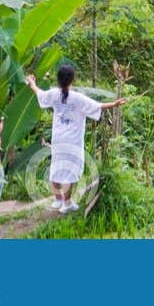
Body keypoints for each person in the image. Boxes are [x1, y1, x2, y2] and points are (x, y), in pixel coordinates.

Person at [26, 63, 125, 214]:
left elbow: (39, 93)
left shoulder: (54, 94)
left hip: (58, 138)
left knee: (57, 166)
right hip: (72, 140)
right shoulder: (77, 98)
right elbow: (98, 106)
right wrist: (115, 104)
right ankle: (66, 203)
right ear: (72, 79)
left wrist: (32, 83)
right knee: (70, 170)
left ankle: (57, 199)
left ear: (58, 79)